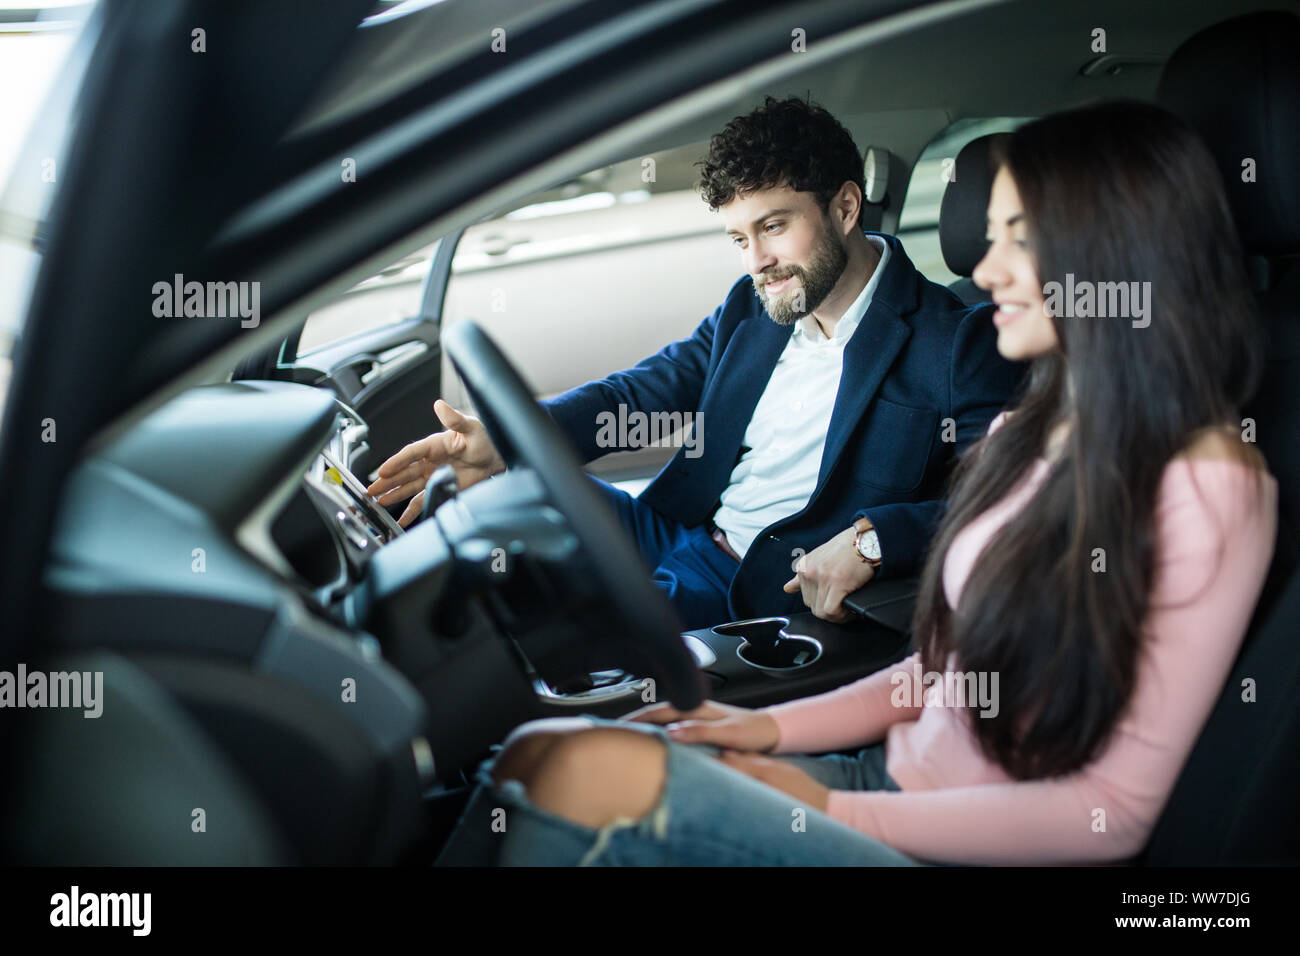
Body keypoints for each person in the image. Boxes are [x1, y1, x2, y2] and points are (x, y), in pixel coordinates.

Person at [433, 100, 1278, 866]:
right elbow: (943, 669)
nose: (986, 272)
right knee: (532, 744)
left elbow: (1113, 813)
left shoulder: (1203, 485)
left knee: (574, 766)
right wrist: (765, 728)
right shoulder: (1039, 433)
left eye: (1021, 237)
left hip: (936, 823)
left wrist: (832, 805)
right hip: (872, 761)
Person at [368, 96, 1024, 628]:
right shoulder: (754, 304)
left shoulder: (959, 343)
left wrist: (873, 539)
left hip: (758, 588)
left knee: (527, 628)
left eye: (773, 227)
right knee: (487, 501)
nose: (756, 262)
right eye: (740, 238)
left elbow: (1007, 504)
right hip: (675, 529)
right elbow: (645, 394)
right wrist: (506, 441)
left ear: (846, 207)